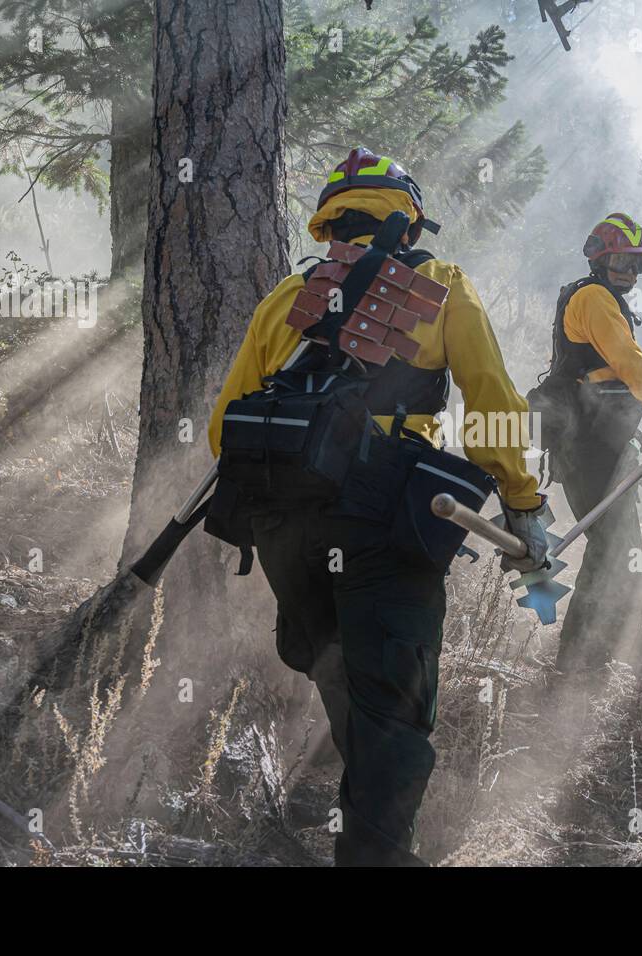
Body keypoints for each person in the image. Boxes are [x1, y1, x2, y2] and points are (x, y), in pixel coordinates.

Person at [206, 147, 547, 866]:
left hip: (283, 533)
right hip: (384, 527)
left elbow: (221, 428)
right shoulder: (442, 284)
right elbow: (492, 406)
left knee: (348, 684)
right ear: (410, 222)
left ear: (330, 223)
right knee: (393, 715)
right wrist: (523, 502)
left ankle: (361, 833)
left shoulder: (285, 296)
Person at [530, 212, 642, 680]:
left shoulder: (594, 298)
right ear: (599, 257)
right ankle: (578, 669)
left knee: (620, 550)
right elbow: (627, 359)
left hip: (599, 447)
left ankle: (609, 659)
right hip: (591, 449)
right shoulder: (596, 297)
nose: (630, 271)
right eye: (622, 259)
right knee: (613, 553)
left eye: (639, 264)